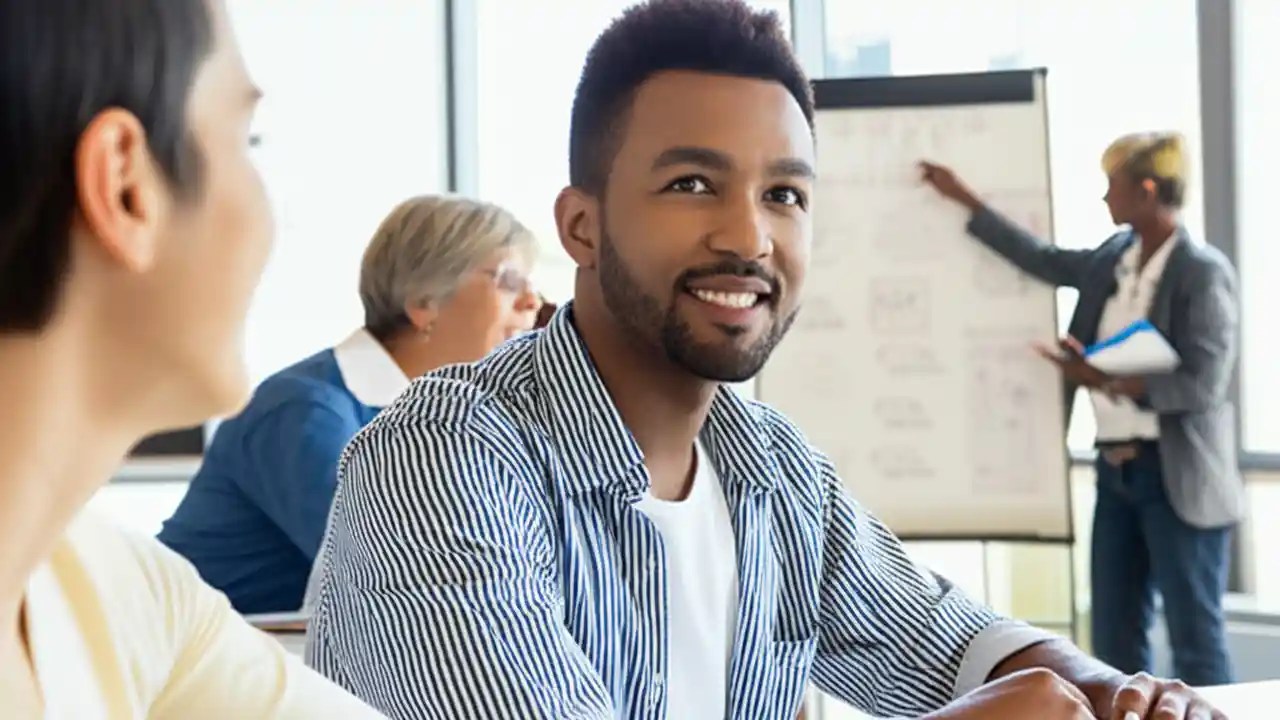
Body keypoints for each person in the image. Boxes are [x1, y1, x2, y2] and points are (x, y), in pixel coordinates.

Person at [305, 2, 1224, 719]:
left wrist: (1108, 690)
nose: (749, 236)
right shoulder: (441, 455)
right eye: (692, 184)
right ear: (581, 225)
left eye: (785, 194)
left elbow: (955, 641)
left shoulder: (769, 466)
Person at [0, 0, 382, 716]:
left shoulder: (120, 593)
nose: (274, 219)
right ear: (125, 187)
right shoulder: (309, 413)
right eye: (249, 141)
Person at [921, 133, 1242, 687]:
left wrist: (1108, 381)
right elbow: (1042, 260)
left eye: (1111, 185)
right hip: (1115, 473)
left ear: (1146, 190)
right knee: (1115, 641)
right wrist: (966, 200)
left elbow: (1205, 383)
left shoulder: (1201, 271)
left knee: (1196, 644)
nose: (1104, 199)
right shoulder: (1114, 258)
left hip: (1176, 479)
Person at [158, 195, 540, 614]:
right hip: (187, 666)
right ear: (424, 301)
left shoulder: (443, 419)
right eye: (508, 281)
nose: (532, 303)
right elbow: (404, 576)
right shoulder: (306, 410)